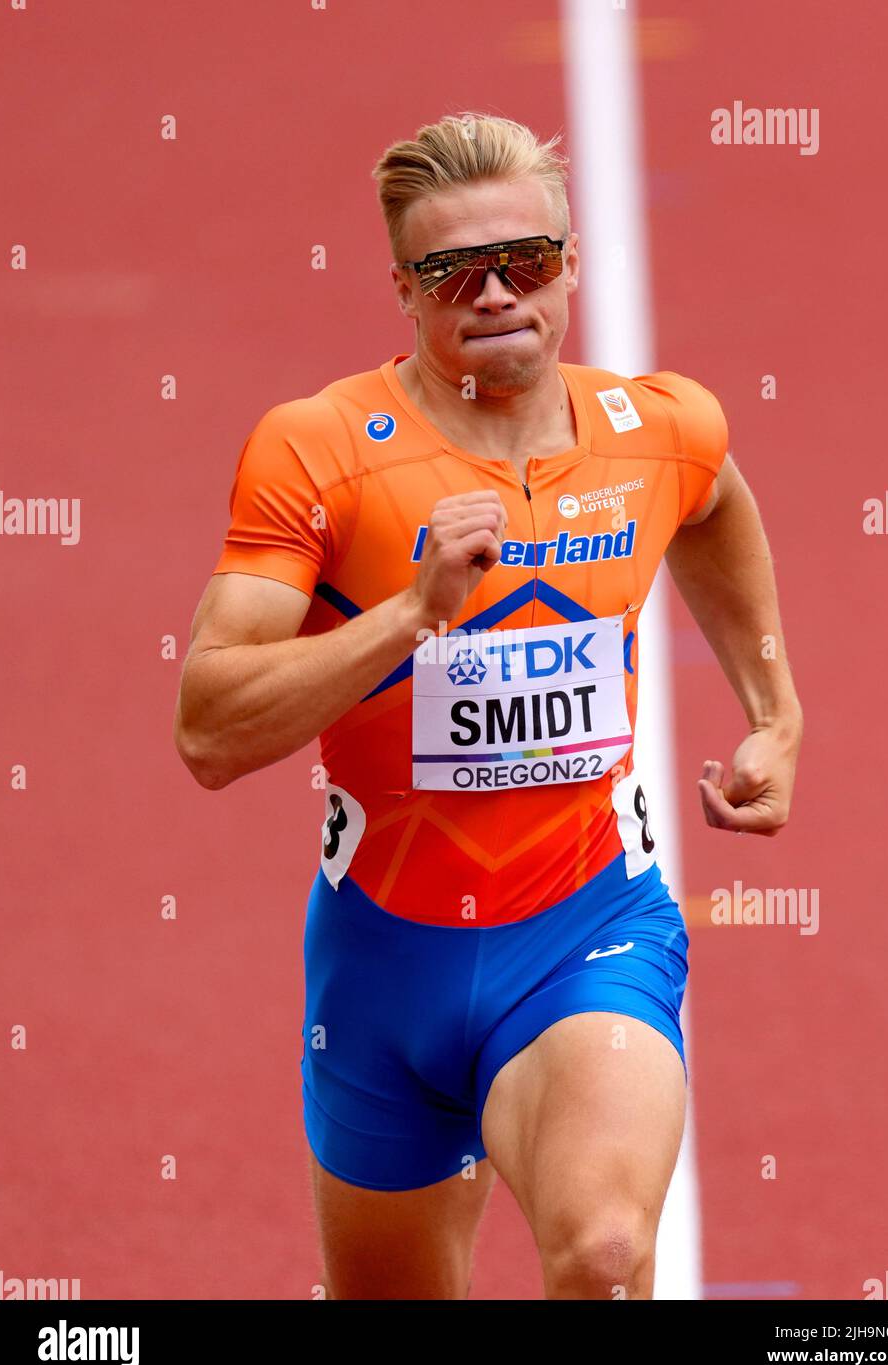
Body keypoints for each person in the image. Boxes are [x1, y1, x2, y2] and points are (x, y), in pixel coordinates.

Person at [173, 113, 803, 1300]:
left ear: (571, 263)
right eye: (452, 270)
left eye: (528, 259)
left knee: (607, 1256)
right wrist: (408, 616)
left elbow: (715, 506)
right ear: (401, 290)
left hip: (583, 928)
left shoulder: (658, 430)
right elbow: (209, 727)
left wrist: (774, 709)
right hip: (381, 963)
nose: (496, 291)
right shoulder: (316, 454)